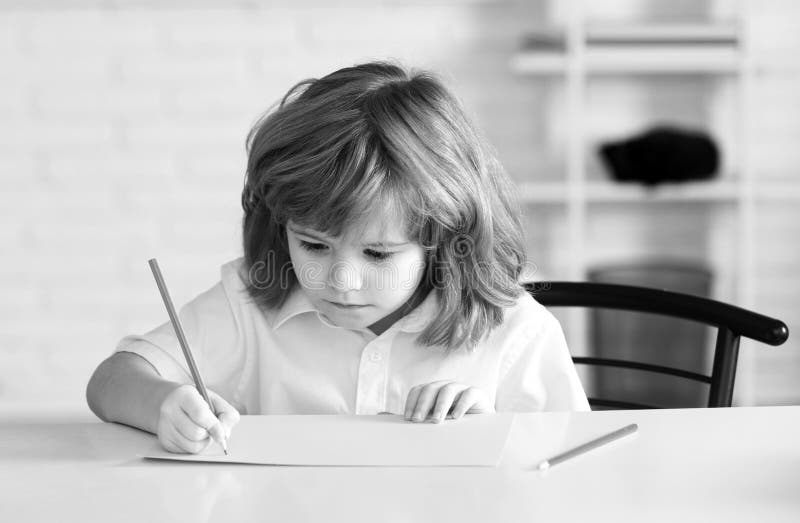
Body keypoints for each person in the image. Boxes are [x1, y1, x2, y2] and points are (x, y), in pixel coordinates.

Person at [86, 61, 589, 455]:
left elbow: (576, 470)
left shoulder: (514, 331)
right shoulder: (250, 305)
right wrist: (163, 404)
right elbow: (111, 381)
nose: (341, 281)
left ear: (443, 235)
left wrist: (495, 434)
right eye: (313, 245)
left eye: (377, 253)